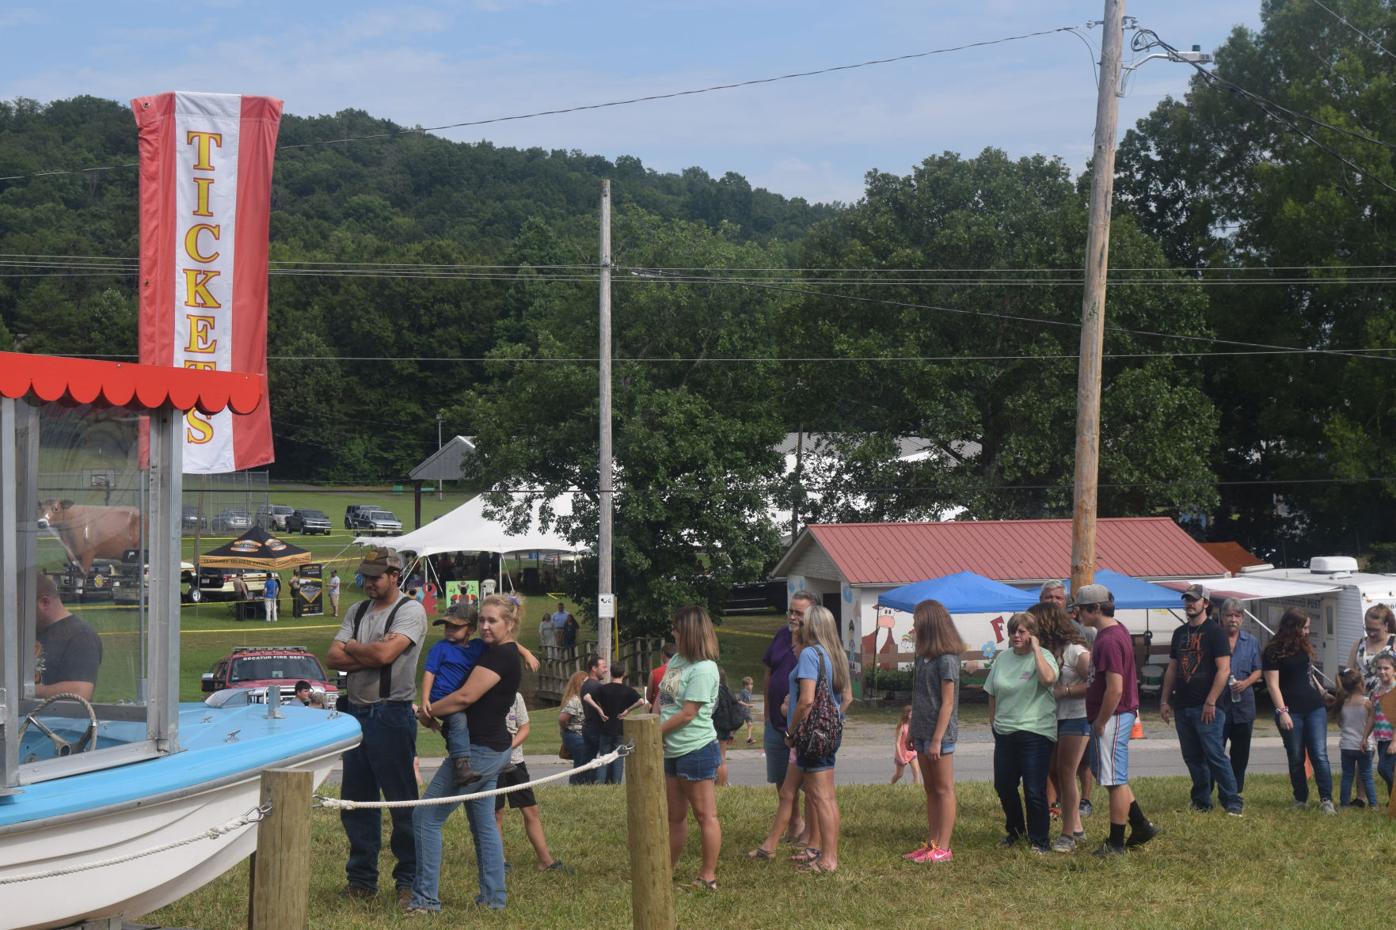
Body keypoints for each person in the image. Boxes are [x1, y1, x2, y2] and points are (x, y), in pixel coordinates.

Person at [407, 593, 525, 914]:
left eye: (492, 621)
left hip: (479, 752)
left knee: (425, 818)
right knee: (483, 822)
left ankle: (425, 901)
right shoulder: (498, 650)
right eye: (482, 620)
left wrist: (427, 712)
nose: (485, 626)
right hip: (494, 748)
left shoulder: (499, 656)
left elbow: (464, 697)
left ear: (509, 623)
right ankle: (493, 899)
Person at [326, 548, 428, 904]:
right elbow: (332, 657)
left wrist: (353, 647)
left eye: (375, 577)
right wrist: (367, 651)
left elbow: (385, 656)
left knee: (402, 804)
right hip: (354, 714)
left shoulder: (411, 611)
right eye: (365, 576)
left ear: (394, 576)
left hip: (391, 714)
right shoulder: (356, 610)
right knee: (356, 803)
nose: (368, 582)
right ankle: (361, 881)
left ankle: (409, 882)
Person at [1079, 586, 1158, 855]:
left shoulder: (1109, 640)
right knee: (1115, 777)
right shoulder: (1114, 630)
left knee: (1114, 781)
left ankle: (1115, 843)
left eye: (1081, 608)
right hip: (1113, 715)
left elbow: (1115, 688)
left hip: (1112, 715)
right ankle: (1140, 825)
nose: (1078, 612)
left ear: (1097, 609)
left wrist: (1101, 721)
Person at [1160, 584, 1242, 816]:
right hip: (1183, 705)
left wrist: (1211, 701)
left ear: (1205, 603)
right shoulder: (1179, 633)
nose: (1189, 604)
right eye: (1187, 599)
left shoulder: (1215, 632)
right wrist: (1165, 700)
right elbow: (1172, 668)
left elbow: (1224, 670)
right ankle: (1201, 800)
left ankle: (1232, 800)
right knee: (1192, 757)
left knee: (1215, 754)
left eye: (1194, 600)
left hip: (1208, 706)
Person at [658, 604, 723, 892]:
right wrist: (654, 723)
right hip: (671, 750)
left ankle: (707, 876)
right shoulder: (677, 661)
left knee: (704, 814)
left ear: (690, 632)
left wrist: (651, 732)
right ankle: (664, 873)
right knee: (675, 816)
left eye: (677, 629)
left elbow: (688, 713)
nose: (673, 633)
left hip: (695, 749)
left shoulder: (704, 668)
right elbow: (664, 698)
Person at [984, 611, 1059, 853]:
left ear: (1033, 635)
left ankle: (1040, 840)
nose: (1016, 635)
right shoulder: (1003, 659)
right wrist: (993, 722)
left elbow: (1048, 679)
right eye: (1013, 631)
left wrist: (1037, 650)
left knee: (1034, 789)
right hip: (1005, 731)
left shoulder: (1044, 656)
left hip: (1035, 732)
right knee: (1003, 785)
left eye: (1022, 632)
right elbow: (992, 692)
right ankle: (1016, 831)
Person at [903, 599, 963, 863]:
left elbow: (947, 702)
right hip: (923, 731)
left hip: (941, 736)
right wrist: (914, 732)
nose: (914, 625)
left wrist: (938, 739)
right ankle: (932, 843)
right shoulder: (922, 657)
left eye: (917, 620)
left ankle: (944, 847)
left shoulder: (947, 659)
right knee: (930, 789)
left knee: (944, 788)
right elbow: (920, 698)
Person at [1262, 607, 1336, 814]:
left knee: (1319, 754)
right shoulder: (1272, 650)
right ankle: (1300, 797)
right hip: (1290, 710)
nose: (1307, 632)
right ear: (1292, 626)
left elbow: (1308, 674)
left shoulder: (1304, 646)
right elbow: (1272, 685)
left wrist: (1323, 693)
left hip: (1313, 707)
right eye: (1304, 627)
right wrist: (1283, 711)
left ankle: (1326, 799)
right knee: (1295, 756)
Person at [1031, 600, 1090, 852]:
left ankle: (1067, 835)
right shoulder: (1046, 651)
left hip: (1076, 716)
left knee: (1067, 772)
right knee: (1054, 771)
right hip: (1052, 719)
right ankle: (1076, 827)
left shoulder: (1075, 651)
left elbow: (1096, 683)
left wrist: (1065, 691)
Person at [761, 590, 818, 846]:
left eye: (799, 613)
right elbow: (768, 672)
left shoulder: (816, 644)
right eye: (791, 611)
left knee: (810, 784)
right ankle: (794, 822)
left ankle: (810, 833)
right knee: (781, 778)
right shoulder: (780, 636)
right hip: (776, 722)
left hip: (803, 725)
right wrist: (766, 709)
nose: (793, 617)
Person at [494, 691, 566, 871]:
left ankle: (546, 861)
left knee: (530, 810)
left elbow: (524, 728)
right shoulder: (483, 693)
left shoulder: (516, 697)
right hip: (491, 764)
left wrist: (508, 749)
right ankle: (498, 862)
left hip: (515, 761)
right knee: (496, 813)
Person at [419, 603, 488, 788]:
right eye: (447, 626)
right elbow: (429, 672)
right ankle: (461, 766)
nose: (449, 630)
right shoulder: (440, 647)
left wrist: (523, 652)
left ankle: (495, 757)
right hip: (441, 698)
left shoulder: (478, 647)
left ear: (471, 629)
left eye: (455, 627)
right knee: (458, 721)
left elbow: (504, 644)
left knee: (481, 717)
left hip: (463, 698)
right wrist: (425, 700)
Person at [1216, 598, 1263, 797]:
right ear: (1222, 618)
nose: (1233, 619)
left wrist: (1246, 683)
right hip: (1219, 705)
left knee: (1240, 754)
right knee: (1216, 751)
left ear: (1242, 619)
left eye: (1237, 615)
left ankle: (1236, 791)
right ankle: (1220, 789)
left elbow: (1258, 670)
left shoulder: (1251, 641)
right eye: (1229, 615)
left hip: (1244, 707)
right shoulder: (1215, 639)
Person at [34, 574, 102, 700]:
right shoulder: (28, 631)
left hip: (56, 719)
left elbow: (80, 692)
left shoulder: (81, 636)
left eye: (19, 605)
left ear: (44, 602)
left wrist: (28, 690)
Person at [587, 664, 646, 784]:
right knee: (619, 756)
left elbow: (587, 697)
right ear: (624, 674)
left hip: (606, 726)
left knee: (604, 755)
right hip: (620, 727)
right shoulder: (627, 690)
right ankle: (616, 782)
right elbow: (641, 701)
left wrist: (599, 709)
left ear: (611, 674)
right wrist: (628, 710)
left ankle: (600, 782)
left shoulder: (603, 689)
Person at [1335, 668, 1378, 808]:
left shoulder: (1343, 703)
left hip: (1347, 745)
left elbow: (1340, 723)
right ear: (1361, 684)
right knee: (1367, 776)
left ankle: (1344, 804)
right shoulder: (1366, 702)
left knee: (1347, 775)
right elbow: (1373, 719)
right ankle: (1373, 804)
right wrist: (1364, 737)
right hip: (1364, 745)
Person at [1363, 653, 1396, 802]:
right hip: (1381, 739)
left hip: (1393, 739)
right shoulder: (1376, 691)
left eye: (1386, 668)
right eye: (1379, 668)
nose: (1382, 671)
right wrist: (1364, 737)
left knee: (1383, 769)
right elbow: (1372, 716)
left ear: (1394, 670)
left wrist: (1394, 742)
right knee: (1391, 770)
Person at [576, 655, 609, 784]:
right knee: (593, 760)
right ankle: (585, 782)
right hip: (595, 728)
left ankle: (582, 782)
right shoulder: (594, 687)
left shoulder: (587, 685)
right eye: (603, 667)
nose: (606, 670)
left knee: (588, 758)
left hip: (590, 727)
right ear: (594, 668)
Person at [1349, 604, 1396, 692]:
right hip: (1361, 699)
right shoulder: (1358, 644)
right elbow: (1348, 673)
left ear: (1386, 625)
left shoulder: (1394, 642)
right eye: (1368, 629)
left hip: (1388, 699)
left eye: (1375, 629)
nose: (1371, 633)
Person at [558, 671, 590, 784]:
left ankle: (584, 784)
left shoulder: (585, 698)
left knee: (584, 763)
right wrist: (567, 729)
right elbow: (562, 719)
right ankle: (576, 785)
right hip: (575, 735)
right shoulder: (574, 700)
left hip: (583, 735)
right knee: (580, 764)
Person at [891, 705, 919, 785]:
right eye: (911, 714)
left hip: (912, 753)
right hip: (902, 754)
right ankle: (891, 785)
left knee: (916, 772)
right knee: (899, 775)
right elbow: (897, 743)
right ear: (906, 715)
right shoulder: (902, 727)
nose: (913, 716)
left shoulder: (913, 726)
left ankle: (917, 789)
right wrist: (900, 756)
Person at [648, 643, 675, 707]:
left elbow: (648, 697)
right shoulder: (684, 671)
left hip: (658, 710)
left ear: (663, 654)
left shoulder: (654, 673)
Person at [738, 676, 756, 744]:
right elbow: (739, 701)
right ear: (745, 685)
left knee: (750, 724)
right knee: (738, 723)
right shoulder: (743, 692)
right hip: (743, 710)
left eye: (752, 684)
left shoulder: (749, 692)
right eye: (750, 684)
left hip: (747, 711)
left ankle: (749, 738)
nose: (751, 686)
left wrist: (748, 706)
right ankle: (730, 736)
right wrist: (747, 705)